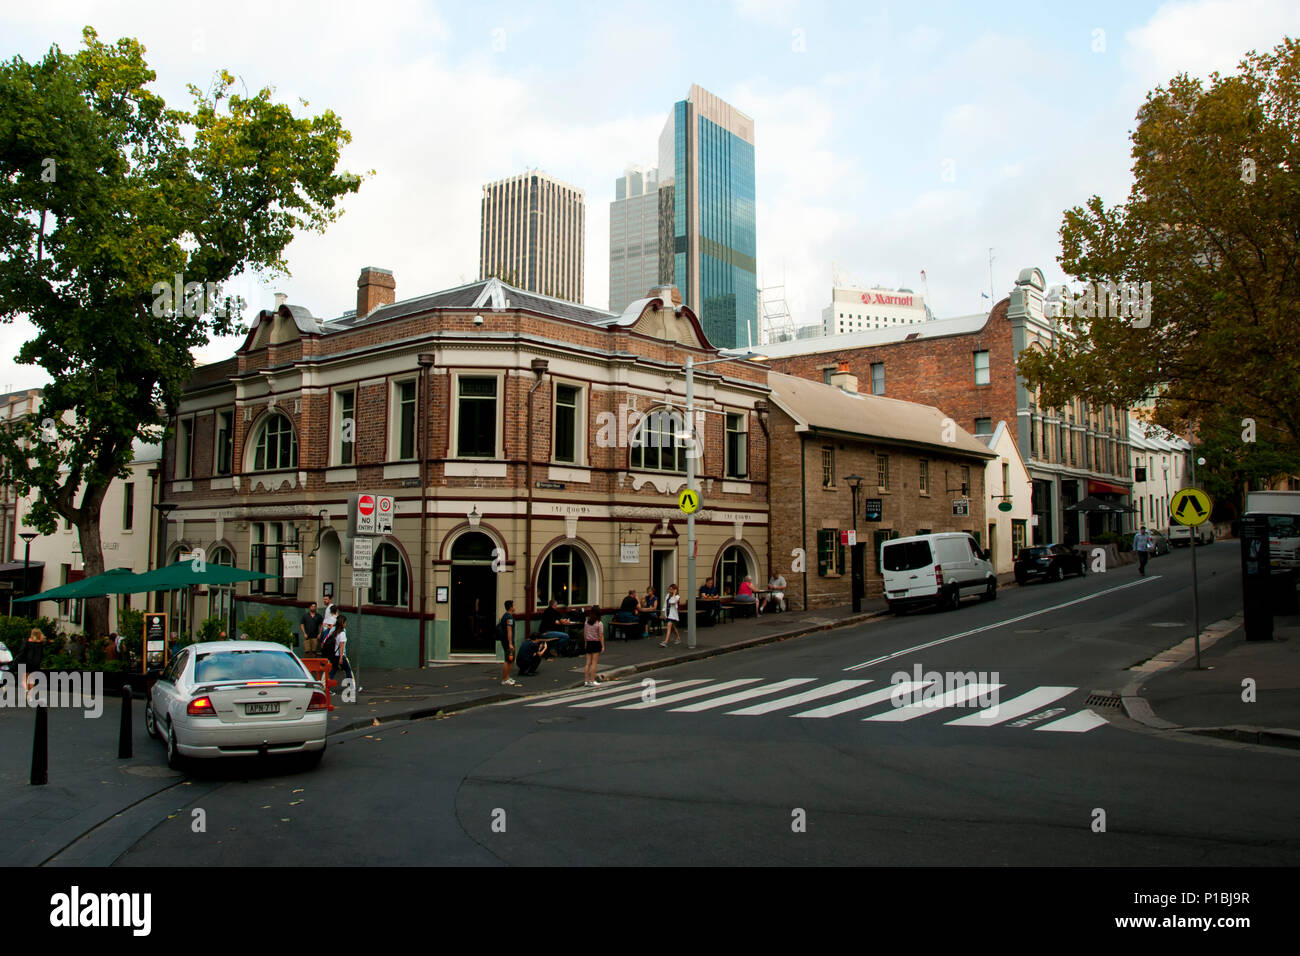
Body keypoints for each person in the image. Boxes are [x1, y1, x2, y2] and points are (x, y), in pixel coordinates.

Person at [330, 615, 356, 691]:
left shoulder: (334, 632)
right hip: (339, 655)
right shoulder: (342, 633)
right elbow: (341, 646)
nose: (346, 624)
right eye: (345, 622)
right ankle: (351, 686)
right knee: (348, 670)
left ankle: (327, 686)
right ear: (343, 623)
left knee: (333, 670)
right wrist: (341, 657)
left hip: (334, 655)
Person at [498, 600, 520, 687]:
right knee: (508, 659)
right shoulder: (509, 618)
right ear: (510, 607)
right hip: (507, 641)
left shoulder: (506, 616)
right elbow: (509, 630)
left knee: (509, 659)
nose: (514, 607)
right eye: (513, 605)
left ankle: (507, 677)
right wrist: (510, 643)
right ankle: (505, 679)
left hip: (505, 640)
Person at [583, 605, 605, 687]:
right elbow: (601, 635)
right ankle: (592, 680)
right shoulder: (599, 623)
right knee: (594, 663)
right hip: (596, 643)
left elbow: (585, 634)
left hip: (589, 643)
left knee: (587, 663)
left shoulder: (587, 622)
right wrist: (602, 646)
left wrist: (585, 643)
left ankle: (586, 681)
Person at [659, 583, 681, 647]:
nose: (670, 590)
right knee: (673, 627)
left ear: (675, 590)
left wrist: (674, 594)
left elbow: (672, 602)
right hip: (667, 613)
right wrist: (663, 613)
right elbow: (665, 604)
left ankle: (665, 642)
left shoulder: (677, 597)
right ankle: (678, 638)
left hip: (672, 615)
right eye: (669, 589)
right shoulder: (667, 595)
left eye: (671, 589)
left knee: (669, 626)